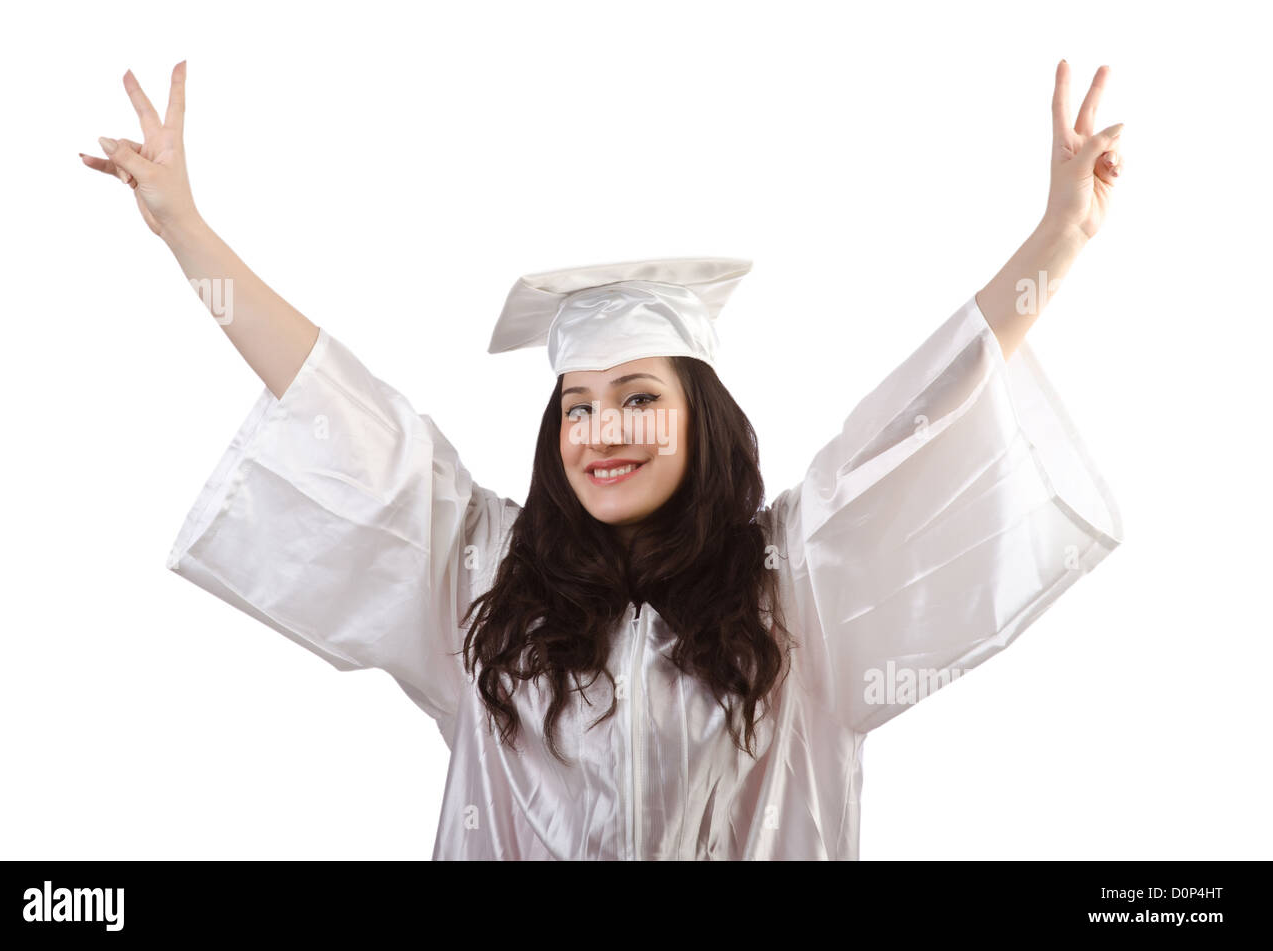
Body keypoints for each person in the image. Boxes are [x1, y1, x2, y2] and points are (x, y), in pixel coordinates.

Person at [83, 59, 1126, 860]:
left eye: (637, 399)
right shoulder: (485, 579)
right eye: (577, 407)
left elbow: (917, 420)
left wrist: (1061, 237)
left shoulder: (795, 585)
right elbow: (336, 404)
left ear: (699, 418)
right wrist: (184, 231)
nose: (602, 432)